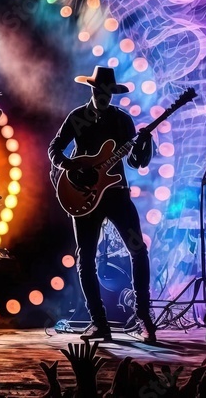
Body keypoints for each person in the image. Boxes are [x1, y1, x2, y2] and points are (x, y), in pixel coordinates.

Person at [48, 66, 156, 342]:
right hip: (83, 194)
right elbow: (55, 149)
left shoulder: (122, 121)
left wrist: (145, 145)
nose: (104, 96)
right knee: (85, 259)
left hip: (116, 193)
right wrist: (73, 168)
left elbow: (134, 163)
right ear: (92, 90)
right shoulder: (78, 117)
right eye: (100, 91)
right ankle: (99, 322)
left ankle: (144, 317)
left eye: (108, 92)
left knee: (138, 250)